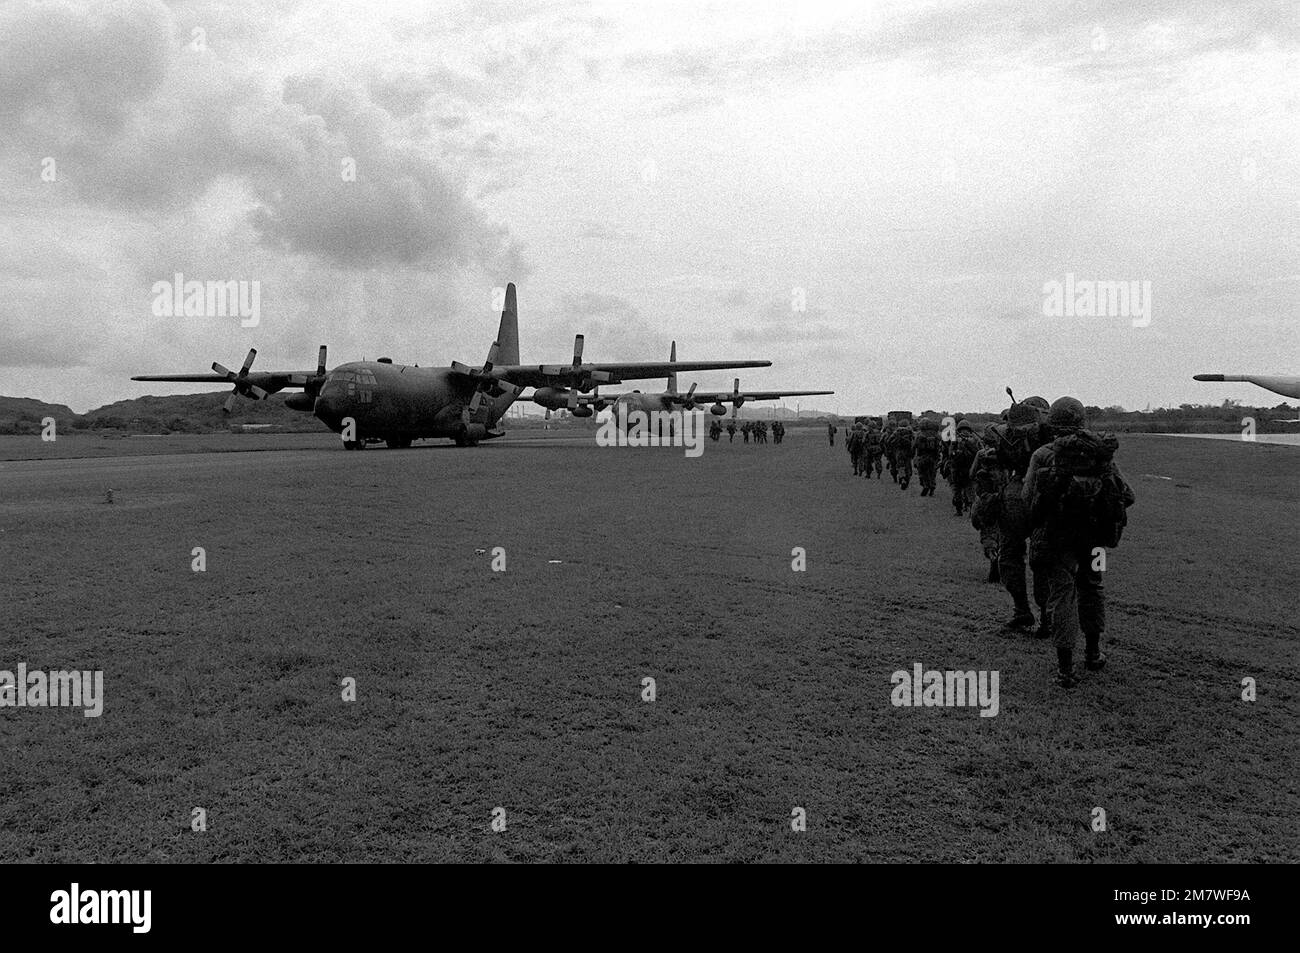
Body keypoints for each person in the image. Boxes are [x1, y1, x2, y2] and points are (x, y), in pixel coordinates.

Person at [1024, 396, 1135, 688]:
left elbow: (1027, 500)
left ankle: (1065, 669)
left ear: (1054, 422)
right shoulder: (1100, 454)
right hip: (1095, 540)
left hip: (1058, 539)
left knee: (1063, 595)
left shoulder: (1043, 454)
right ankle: (1093, 653)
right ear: (1081, 421)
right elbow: (1128, 496)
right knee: (1093, 586)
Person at [913, 418, 943, 496]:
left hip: (922, 457)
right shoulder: (936, 434)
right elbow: (940, 444)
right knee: (932, 473)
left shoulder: (920, 434)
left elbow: (915, 445)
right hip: (933, 457)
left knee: (922, 473)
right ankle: (932, 487)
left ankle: (925, 485)